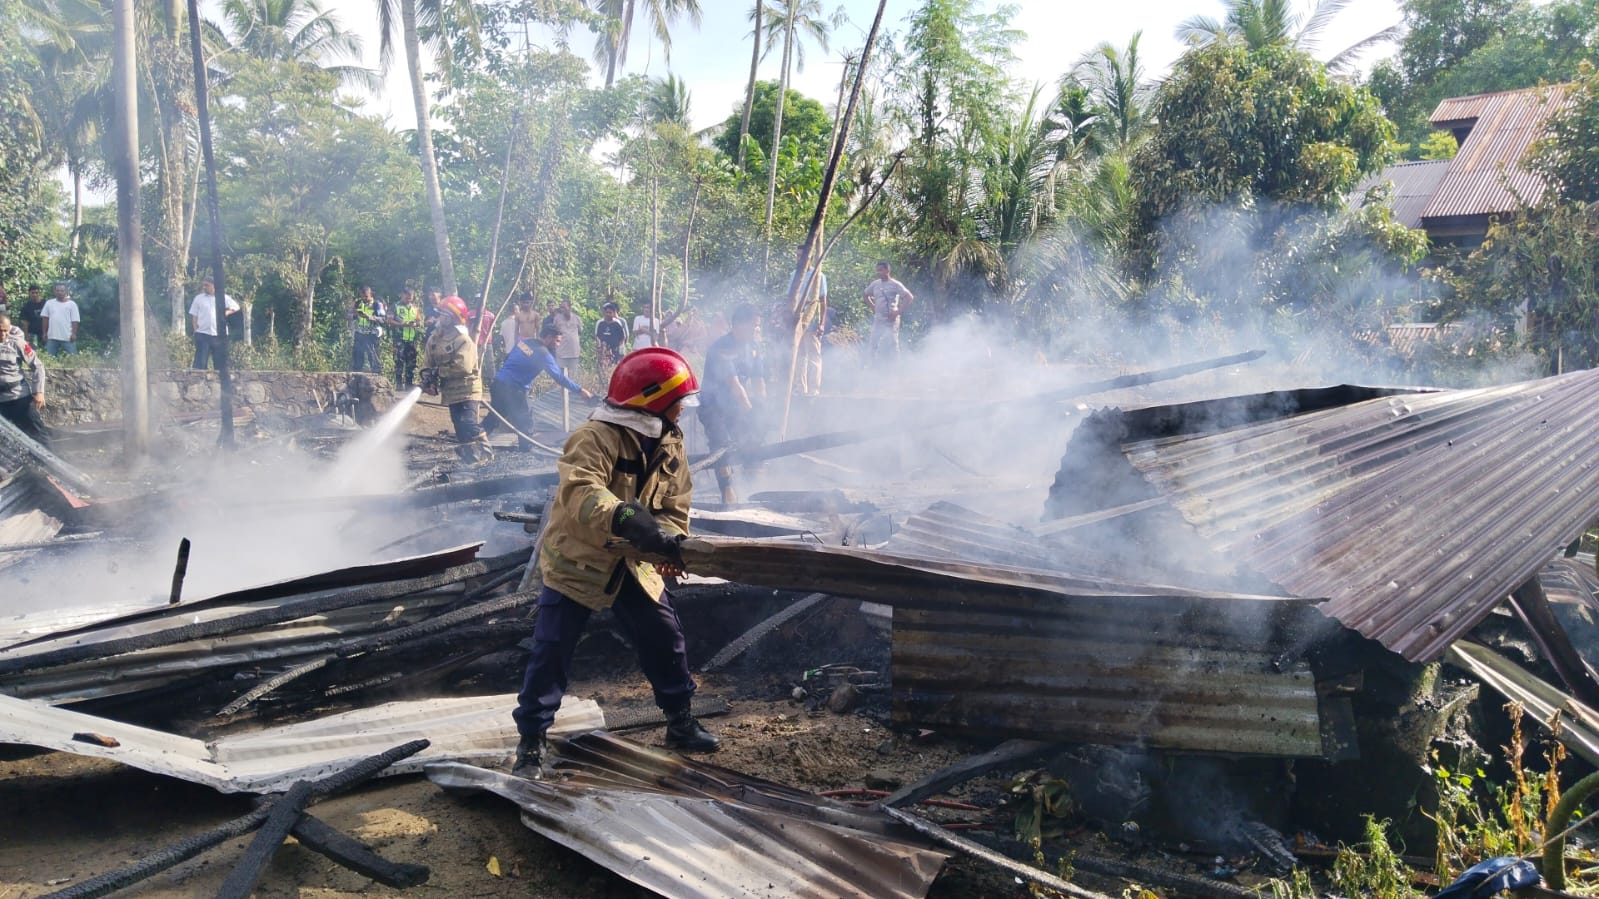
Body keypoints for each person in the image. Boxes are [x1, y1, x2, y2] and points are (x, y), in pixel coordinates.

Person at [511, 347, 718, 779]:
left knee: (665, 637)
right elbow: (581, 491)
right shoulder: (594, 437)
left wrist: (668, 545)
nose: (683, 409)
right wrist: (623, 516)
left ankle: (680, 722)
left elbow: (676, 501)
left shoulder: (670, 440)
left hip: (634, 561)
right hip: (580, 560)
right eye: (679, 400)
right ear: (652, 400)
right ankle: (531, 744)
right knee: (550, 651)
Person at [483, 321, 593, 451]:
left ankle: (473, 443)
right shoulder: (543, 353)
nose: (558, 345)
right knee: (526, 423)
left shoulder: (525, 342)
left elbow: (509, 358)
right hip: (514, 389)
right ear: (549, 337)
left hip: (498, 384)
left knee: (494, 417)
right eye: (557, 341)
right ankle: (526, 455)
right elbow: (558, 377)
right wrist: (580, 390)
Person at [697, 304, 766, 505]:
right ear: (739, 325)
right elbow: (735, 386)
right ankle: (728, 493)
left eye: (758, 326)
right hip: (713, 407)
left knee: (753, 441)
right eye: (754, 326)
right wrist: (751, 413)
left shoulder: (754, 347)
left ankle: (754, 491)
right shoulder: (721, 348)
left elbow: (759, 380)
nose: (756, 330)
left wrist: (763, 411)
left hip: (737, 406)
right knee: (722, 446)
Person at [422, 295, 493, 464]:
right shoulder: (434, 338)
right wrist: (427, 380)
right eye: (441, 313)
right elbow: (427, 361)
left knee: (468, 423)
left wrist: (438, 372)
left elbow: (463, 367)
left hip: (468, 389)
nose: (441, 317)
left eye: (445, 314)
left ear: (454, 318)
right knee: (459, 427)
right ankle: (471, 459)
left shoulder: (464, 340)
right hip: (451, 391)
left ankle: (487, 452)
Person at [0, 312, 48, 445]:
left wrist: (38, 392)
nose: (3, 335)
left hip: (19, 397)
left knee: (37, 434)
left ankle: (51, 463)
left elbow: (37, 366)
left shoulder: (17, 343)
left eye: (5, 331)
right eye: (0, 331)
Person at [863, 261, 914, 364]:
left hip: (892, 319)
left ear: (887, 270)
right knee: (873, 342)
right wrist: (873, 306)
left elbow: (909, 297)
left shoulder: (895, 284)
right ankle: (872, 366)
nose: (878, 272)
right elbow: (865, 294)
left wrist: (898, 312)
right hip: (879, 318)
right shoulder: (875, 284)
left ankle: (895, 367)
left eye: (881, 270)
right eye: (877, 270)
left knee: (893, 343)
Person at [189, 277, 240, 371]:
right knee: (200, 363)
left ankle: (219, 384)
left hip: (219, 335)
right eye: (204, 285)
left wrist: (226, 313)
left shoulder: (223, 297)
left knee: (220, 363)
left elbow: (236, 307)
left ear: (214, 286)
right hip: (203, 334)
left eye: (207, 285)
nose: (204, 287)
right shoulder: (198, 298)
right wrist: (195, 331)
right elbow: (194, 316)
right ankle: (198, 383)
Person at [797, 270, 829, 396]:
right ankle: (800, 389)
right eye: (797, 255)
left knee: (813, 355)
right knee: (800, 355)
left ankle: (814, 391)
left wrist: (821, 323)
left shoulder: (819, 275)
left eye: (802, 255)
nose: (799, 258)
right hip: (797, 322)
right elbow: (791, 298)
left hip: (812, 320)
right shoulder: (795, 273)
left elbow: (823, 301)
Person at [388, 289, 424, 389]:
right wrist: (401, 324)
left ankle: (409, 384)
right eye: (407, 297)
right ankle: (399, 384)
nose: (409, 299)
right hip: (399, 339)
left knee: (411, 363)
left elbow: (419, 321)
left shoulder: (415, 308)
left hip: (412, 339)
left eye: (410, 297)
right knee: (399, 361)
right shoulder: (395, 306)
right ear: (402, 295)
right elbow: (389, 320)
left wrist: (415, 324)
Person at [351, 287, 385, 373]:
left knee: (373, 357)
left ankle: (377, 379)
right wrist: (354, 314)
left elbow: (383, 319)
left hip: (372, 335)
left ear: (371, 294)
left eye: (366, 296)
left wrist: (368, 317)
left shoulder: (377, 304)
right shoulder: (358, 303)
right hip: (359, 333)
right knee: (357, 358)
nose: (364, 298)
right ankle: (356, 378)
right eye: (362, 296)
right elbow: (349, 315)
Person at [41, 283, 80, 356]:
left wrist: (74, 334)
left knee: (73, 359)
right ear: (54, 291)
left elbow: (75, 321)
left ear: (66, 291)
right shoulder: (49, 303)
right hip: (52, 337)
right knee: (50, 359)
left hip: (68, 337)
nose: (60, 292)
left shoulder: (72, 304)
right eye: (58, 290)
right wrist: (44, 333)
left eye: (62, 291)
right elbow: (45, 319)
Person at [551, 298, 582, 376]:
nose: (562, 309)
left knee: (573, 377)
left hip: (573, 352)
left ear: (570, 308)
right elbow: (553, 332)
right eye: (561, 307)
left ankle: (572, 389)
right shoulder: (557, 319)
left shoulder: (577, 319)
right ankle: (562, 389)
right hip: (561, 352)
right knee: (560, 377)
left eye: (564, 307)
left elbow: (580, 332)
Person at [595, 302, 627, 375]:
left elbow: (623, 337)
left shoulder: (617, 324)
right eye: (607, 312)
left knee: (614, 370)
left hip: (614, 352)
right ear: (604, 313)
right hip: (603, 351)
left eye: (610, 312)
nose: (608, 314)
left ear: (613, 313)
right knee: (602, 370)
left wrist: (618, 347)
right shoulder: (601, 324)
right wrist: (599, 346)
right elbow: (597, 336)